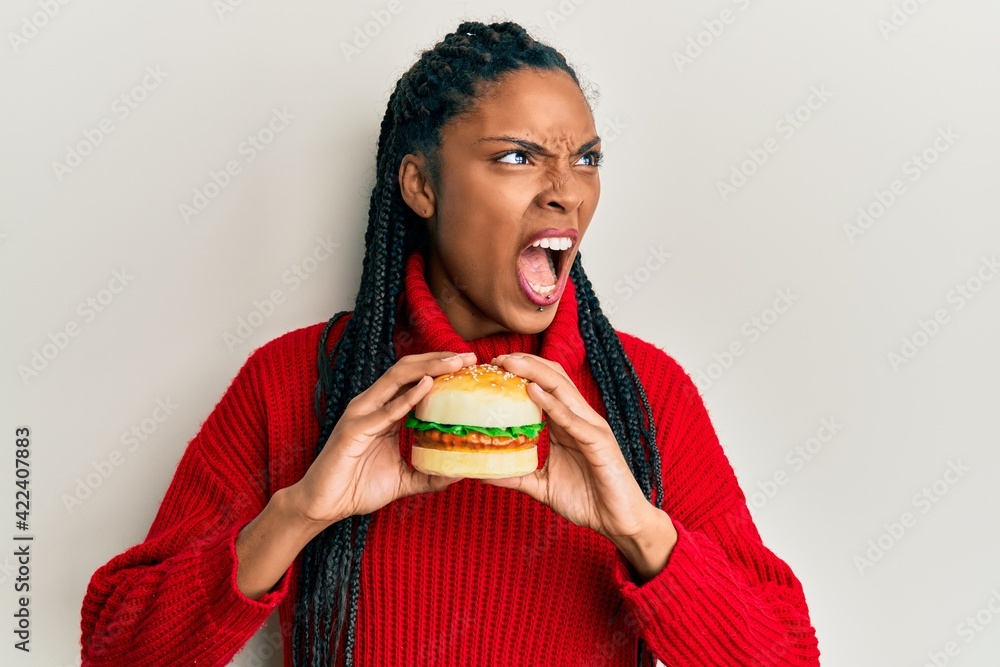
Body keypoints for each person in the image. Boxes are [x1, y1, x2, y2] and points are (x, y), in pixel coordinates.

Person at [79, 20, 821, 667]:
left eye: (586, 159)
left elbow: (788, 655)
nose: (567, 189)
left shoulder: (645, 393)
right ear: (421, 186)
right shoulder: (296, 380)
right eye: (517, 157)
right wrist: (300, 512)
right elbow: (115, 649)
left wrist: (639, 528)